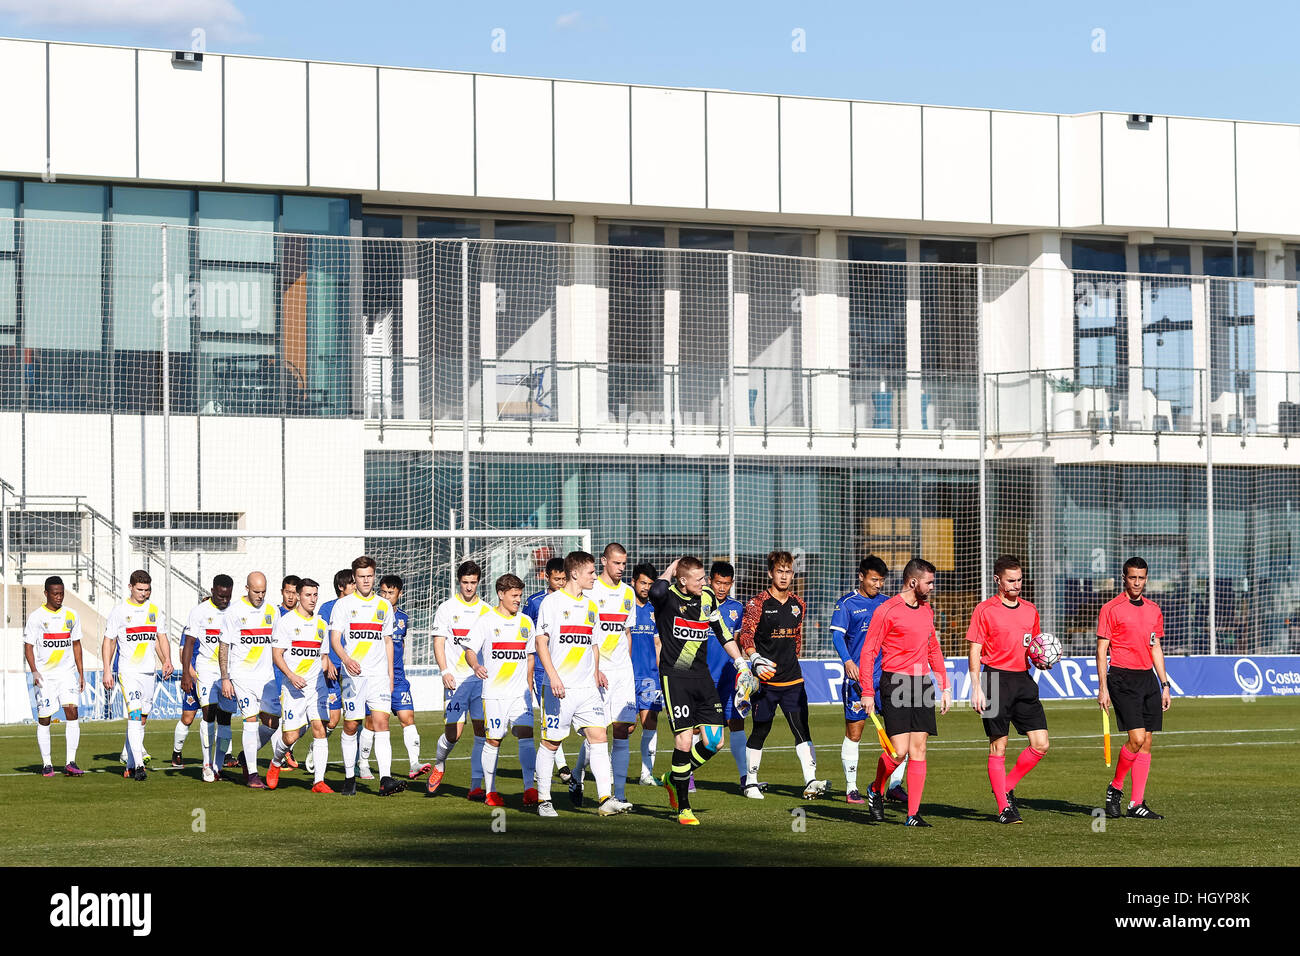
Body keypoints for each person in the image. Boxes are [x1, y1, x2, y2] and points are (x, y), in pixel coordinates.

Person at [648, 556, 766, 826]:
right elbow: (655, 589)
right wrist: (672, 567)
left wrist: (742, 664)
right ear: (682, 580)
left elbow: (723, 632)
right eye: (699, 579)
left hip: (702, 678)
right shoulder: (666, 597)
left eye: (704, 578)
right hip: (675, 678)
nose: (705, 583)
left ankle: (672, 777)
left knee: (715, 742)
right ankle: (683, 807)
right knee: (685, 741)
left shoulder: (708, 598)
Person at [533, 550, 632, 817]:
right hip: (560, 689)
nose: (593, 578)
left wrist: (597, 672)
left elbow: (594, 645)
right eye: (590, 573)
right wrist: (552, 676)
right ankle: (544, 799)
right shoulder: (551, 603)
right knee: (551, 743)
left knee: (599, 738)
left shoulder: (591, 606)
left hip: (588, 689)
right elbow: (541, 642)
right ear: (575, 573)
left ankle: (604, 799)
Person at [859, 558, 952, 827]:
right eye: (929, 582)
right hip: (895, 683)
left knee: (919, 748)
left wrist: (943, 685)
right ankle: (876, 789)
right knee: (898, 752)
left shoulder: (927, 611)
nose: (932, 587)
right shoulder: (887, 610)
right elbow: (869, 652)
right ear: (913, 582)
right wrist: (867, 690)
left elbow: (933, 648)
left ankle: (912, 814)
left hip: (921, 684)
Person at [739, 550, 828, 799]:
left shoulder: (799, 604)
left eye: (788, 571)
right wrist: (754, 658)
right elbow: (745, 634)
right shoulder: (757, 604)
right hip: (766, 681)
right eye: (780, 571)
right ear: (770, 573)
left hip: (793, 680)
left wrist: (790, 660)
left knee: (801, 729)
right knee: (761, 730)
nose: (784, 576)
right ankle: (751, 782)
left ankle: (810, 781)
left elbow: (797, 639)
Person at [967, 554, 1049, 825]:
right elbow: (975, 650)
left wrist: (1043, 660)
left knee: (1041, 744)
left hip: (1023, 681)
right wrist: (976, 687)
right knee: (998, 747)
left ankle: (1005, 786)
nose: (1016, 585)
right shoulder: (984, 610)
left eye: (1019, 580)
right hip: (994, 680)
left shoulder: (1030, 610)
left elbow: (1035, 646)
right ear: (997, 580)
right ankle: (1004, 807)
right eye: (1010, 580)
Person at [1098, 556, 1171, 820]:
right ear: (1124, 578)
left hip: (1147, 679)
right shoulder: (1111, 608)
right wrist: (1103, 687)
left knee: (1147, 742)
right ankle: (1115, 788)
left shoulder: (1153, 609)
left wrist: (1164, 684)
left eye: (1141, 578)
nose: (1137, 582)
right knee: (1137, 738)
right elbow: (1102, 649)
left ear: (1146, 578)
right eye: (1132, 577)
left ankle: (1136, 803)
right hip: (1121, 678)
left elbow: (1155, 647)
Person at [830, 556, 906, 805]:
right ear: (861, 576)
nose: (879, 585)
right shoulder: (847, 604)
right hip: (858, 680)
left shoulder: (888, 604)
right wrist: (847, 661)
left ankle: (895, 786)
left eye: (882, 581)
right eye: (874, 580)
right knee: (855, 732)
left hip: (887, 678)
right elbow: (838, 637)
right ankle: (851, 788)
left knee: (900, 732)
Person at [328, 555, 403, 797]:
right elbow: (334, 639)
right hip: (353, 677)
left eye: (370, 576)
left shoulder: (383, 606)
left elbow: (388, 640)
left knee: (382, 723)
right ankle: (350, 777)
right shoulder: (343, 605)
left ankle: (386, 779)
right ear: (354, 578)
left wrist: (391, 674)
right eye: (361, 577)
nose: (366, 580)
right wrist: (347, 660)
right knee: (351, 725)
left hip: (379, 675)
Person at [464, 573, 539, 807]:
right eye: (514, 595)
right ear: (501, 594)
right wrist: (476, 665)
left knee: (526, 735)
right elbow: (469, 650)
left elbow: (529, 657)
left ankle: (529, 789)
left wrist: (529, 685)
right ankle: (491, 791)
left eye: (520, 595)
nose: (518, 600)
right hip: (494, 694)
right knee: (494, 740)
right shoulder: (486, 621)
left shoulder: (526, 622)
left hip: (520, 694)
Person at [572, 543, 638, 807]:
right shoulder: (591, 590)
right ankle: (577, 775)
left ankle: (619, 794)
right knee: (596, 731)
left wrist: (627, 666)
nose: (621, 568)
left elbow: (627, 632)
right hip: (597, 671)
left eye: (624, 563)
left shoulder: (628, 593)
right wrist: (595, 669)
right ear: (604, 561)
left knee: (624, 728)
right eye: (617, 563)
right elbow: (586, 635)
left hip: (622, 671)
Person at [427, 560, 491, 797]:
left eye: (473, 582)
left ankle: (475, 785)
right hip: (456, 679)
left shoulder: (487, 610)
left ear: (478, 582)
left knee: (481, 732)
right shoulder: (446, 608)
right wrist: (445, 671)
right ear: (459, 582)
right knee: (454, 733)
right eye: (465, 582)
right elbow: (439, 642)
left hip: (480, 681)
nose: (469, 587)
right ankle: (440, 764)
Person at [103, 570, 172, 781]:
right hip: (128, 672)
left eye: (147, 589)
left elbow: (160, 638)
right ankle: (140, 764)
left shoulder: (154, 611)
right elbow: (109, 641)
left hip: (148, 672)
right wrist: (107, 669)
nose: (144, 593)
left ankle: (130, 763)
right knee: (134, 714)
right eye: (140, 589)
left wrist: (166, 660)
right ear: (131, 587)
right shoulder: (120, 611)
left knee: (142, 718)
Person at [267, 578, 332, 793]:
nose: (312, 599)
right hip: (293, 689)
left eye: (315, 595)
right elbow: (277, 655)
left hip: (317, 688)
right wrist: (291, 675)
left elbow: (322, 656)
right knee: (291, 737)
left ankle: (318, 782)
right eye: (308, 595)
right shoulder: (286, 622)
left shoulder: (322, 624)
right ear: (298, 596)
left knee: (320, 729)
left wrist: (327, 668)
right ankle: (276, 761)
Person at [218, 572, 279, 789]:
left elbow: (278, 645)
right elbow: (224, 645)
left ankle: (246, 756)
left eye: (263, 592)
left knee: (272, 723)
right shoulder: (234, 611)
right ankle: (253, 774)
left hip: (267, 678)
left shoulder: (273, 611)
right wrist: (225, 678)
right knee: (250, 722)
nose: (260, 596)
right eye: (256, 592)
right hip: (242, 677)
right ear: (247, 588)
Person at [24, 576, 86, 776]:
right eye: (55, 593)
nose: (59, 597)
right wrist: (34, 670)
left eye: (62, 593)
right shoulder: (36, 617)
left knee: (72, 713)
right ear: (46, 594)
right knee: (45, 718)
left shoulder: (72, 615)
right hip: (45, 676)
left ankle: (70, 762)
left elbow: (76, 645)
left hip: (67, 674)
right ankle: (47, 763)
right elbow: (28, 647)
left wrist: (81, 673)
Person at [523, 556, 573, 784]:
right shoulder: (535, 602)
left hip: (569, 667)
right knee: (550, 718)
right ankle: (561, 766)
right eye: (556, 579)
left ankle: (546, 764)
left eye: (563, 579)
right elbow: (524, 633)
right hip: (543, 669)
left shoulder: (573, 600)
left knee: (566, 719)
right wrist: (528, 669)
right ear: (547, 577)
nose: (561, 583)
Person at [180, 575, 234, 782]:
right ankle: (206, 765)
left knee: (226, 720)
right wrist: (186, 672)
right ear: (213, 591)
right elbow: (189, 643)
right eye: (221, 595)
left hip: (228, 673)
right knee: (208, 714)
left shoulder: (235, 611)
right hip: (207, 671)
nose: (224, 600)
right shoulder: (199, 612)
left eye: (228, 596)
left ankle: (218, 765)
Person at [704, 560, 749, 795]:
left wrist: (743, 671)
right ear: (710, 581)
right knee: (694, 729)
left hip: (729, 676)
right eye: (718, 583)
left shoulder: (737, 608)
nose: (722, 588)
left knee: (736, 723)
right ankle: (687, 777)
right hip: (703, 675)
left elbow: (739, 642)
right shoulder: (699, 604)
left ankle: (745, 777)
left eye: (727, 584)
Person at [379, 574, 429, 779]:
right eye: (383, 592)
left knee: (407, 718)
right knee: (373, 724)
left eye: (391, 593)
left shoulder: (403, 619)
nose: (387, 596)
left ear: (400, 594)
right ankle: (362, 765)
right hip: (376, 677)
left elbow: (400, 644)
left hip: (398, 678)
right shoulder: (374, 614)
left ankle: (414, 763)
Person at [306, 568, 353, 776]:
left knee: (355, 718)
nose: (355, 586)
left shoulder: (360, 606)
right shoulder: (327, 609)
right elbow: (321, 637)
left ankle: (359, 763)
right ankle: (316, 746)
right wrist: (327, 662)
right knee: (333, 720)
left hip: (353, 670)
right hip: (332, 670)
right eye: (351, 583)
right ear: (341, 587)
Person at [627, 561, 661, 785]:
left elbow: (658, 643)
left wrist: (658, 673)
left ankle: (646, 774)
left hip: (650, 677)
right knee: (626, 726)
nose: (646, 588)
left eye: (650, 584)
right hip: (627, 676)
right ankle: (609, 769)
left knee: (650, 722)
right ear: (633, 582)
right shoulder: (623, 606)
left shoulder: (656, 610)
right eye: (642, 583)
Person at [275, 574, 302, 769]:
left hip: (300, 675)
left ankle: (286, 750)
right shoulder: (275, 614)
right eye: (287, 592)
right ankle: (283, 754)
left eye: (294, 593)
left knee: (303, 720)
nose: (290, 597)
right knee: (278, 716)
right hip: (278, 673)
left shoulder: (305, 616)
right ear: (282, 592)